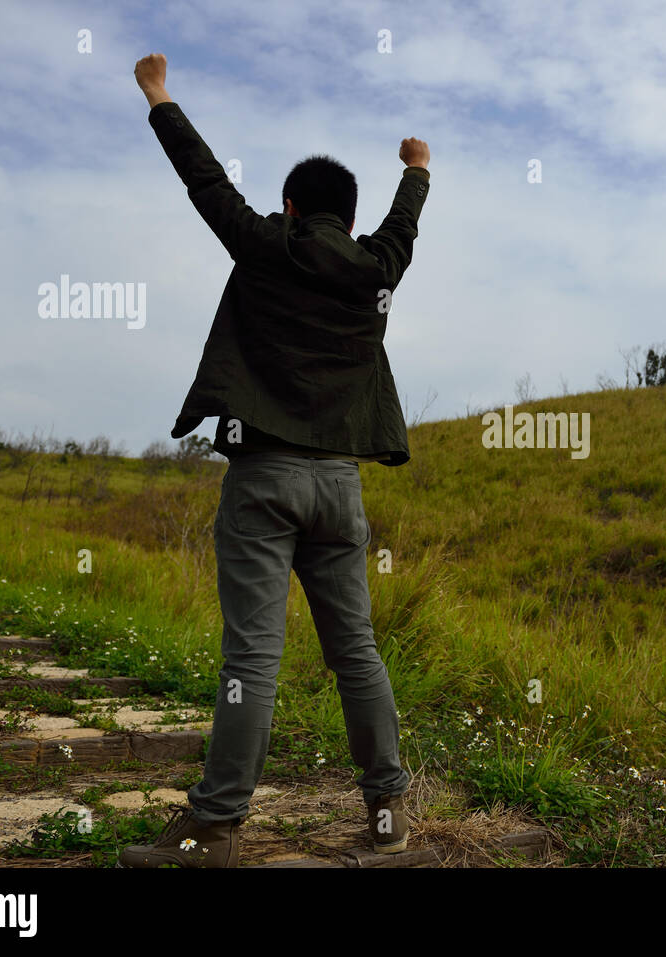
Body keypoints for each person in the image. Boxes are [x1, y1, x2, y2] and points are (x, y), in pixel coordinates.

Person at [121, 53, 430, 868]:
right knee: (355, 651)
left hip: (262, 479)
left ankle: (214, 832)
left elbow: (205, 181)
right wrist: (418, 171)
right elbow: (402, 232)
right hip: (341, 488)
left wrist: (160, 95)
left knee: (252, 660)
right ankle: (391, 822)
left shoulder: (265, 244)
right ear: (349, 218)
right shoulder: (376, 271)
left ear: (291, 206)